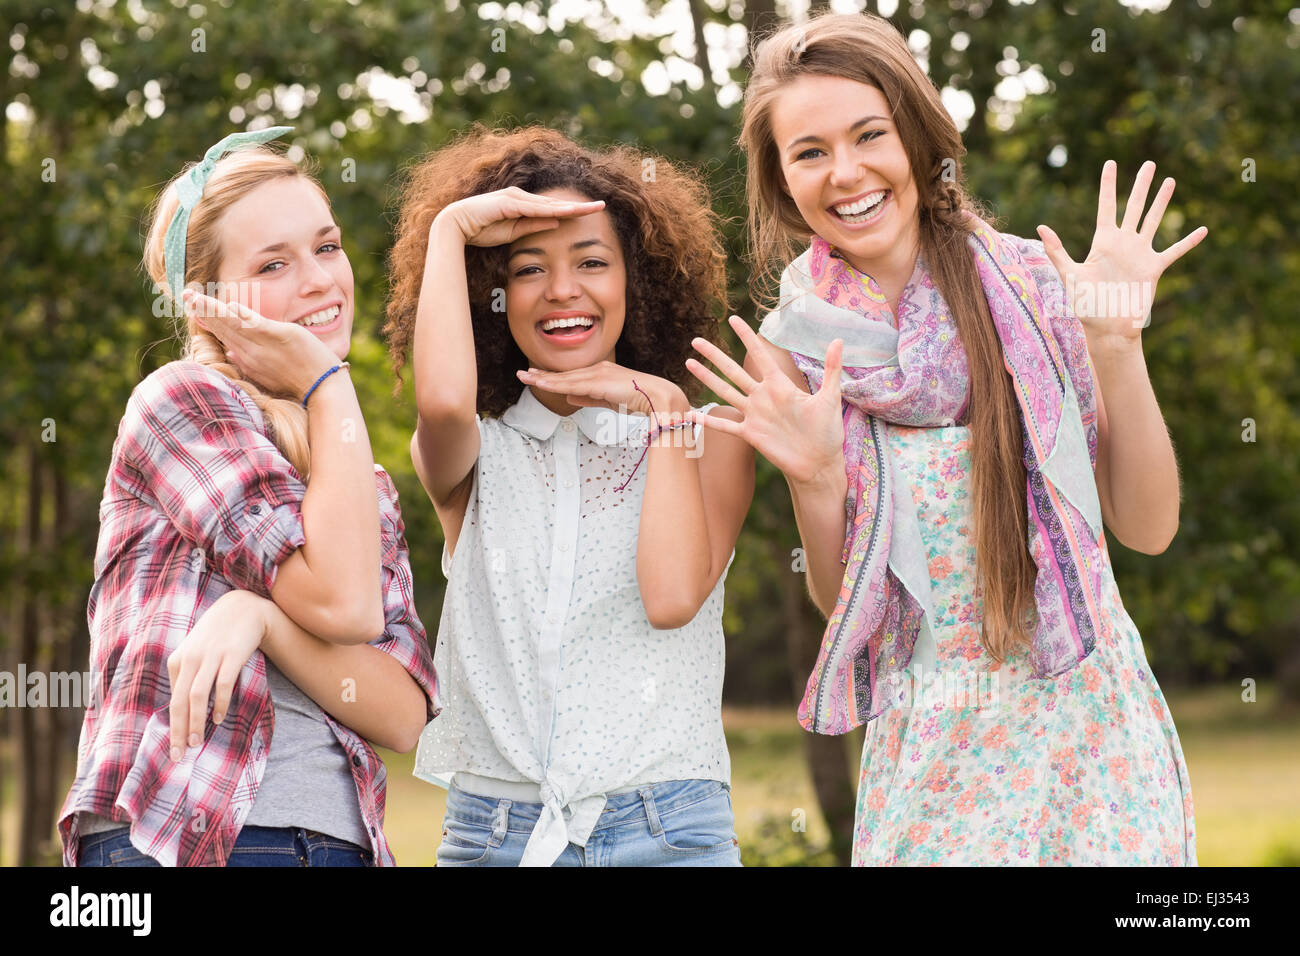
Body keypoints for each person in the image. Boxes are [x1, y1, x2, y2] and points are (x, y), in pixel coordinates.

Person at [683, 13, 1201, 865]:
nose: (845, 172)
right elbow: (842, 603)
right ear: (781, 180)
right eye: (809, 152)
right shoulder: (796, 346)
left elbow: (1146, 527)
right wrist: (816, 482)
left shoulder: (1034, 287)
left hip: (1090, 739)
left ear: (918, 139)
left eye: (868, 135)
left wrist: (1115, 344)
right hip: (933, 752)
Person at [58, 129, 439, 867]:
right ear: (207, 306)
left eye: (327, 248)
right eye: (274, 264)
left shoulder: (361, 480)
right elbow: (346, 608)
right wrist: (330, 386)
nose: (321, 281)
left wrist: (262, 617)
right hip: (189, 837)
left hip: (333, 843)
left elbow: (400, 713)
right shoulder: (181, 402)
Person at [383, 126, 755, 866]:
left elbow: (671, 595)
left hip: (670, 829)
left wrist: (660, 411)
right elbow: (446, 405)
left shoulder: (709, 435)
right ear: (493, 295)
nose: (562, 291)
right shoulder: (475, 454)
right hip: (493, 835)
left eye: (592, 262)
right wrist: (451, 230)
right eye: (527, 270)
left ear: (635, 282)